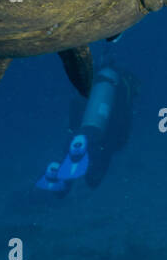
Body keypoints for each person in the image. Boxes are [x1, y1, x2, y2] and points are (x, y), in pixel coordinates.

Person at [33, 61, 137, 198]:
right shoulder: (123, 85)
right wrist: (119, 142)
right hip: (106, 136)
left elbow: (76, 102)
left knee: (74, 151)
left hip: (82, 129)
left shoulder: (93, 80)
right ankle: (87, 177)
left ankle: (59, 184)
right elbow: (124, 118)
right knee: (94, 176)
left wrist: (72, 128)